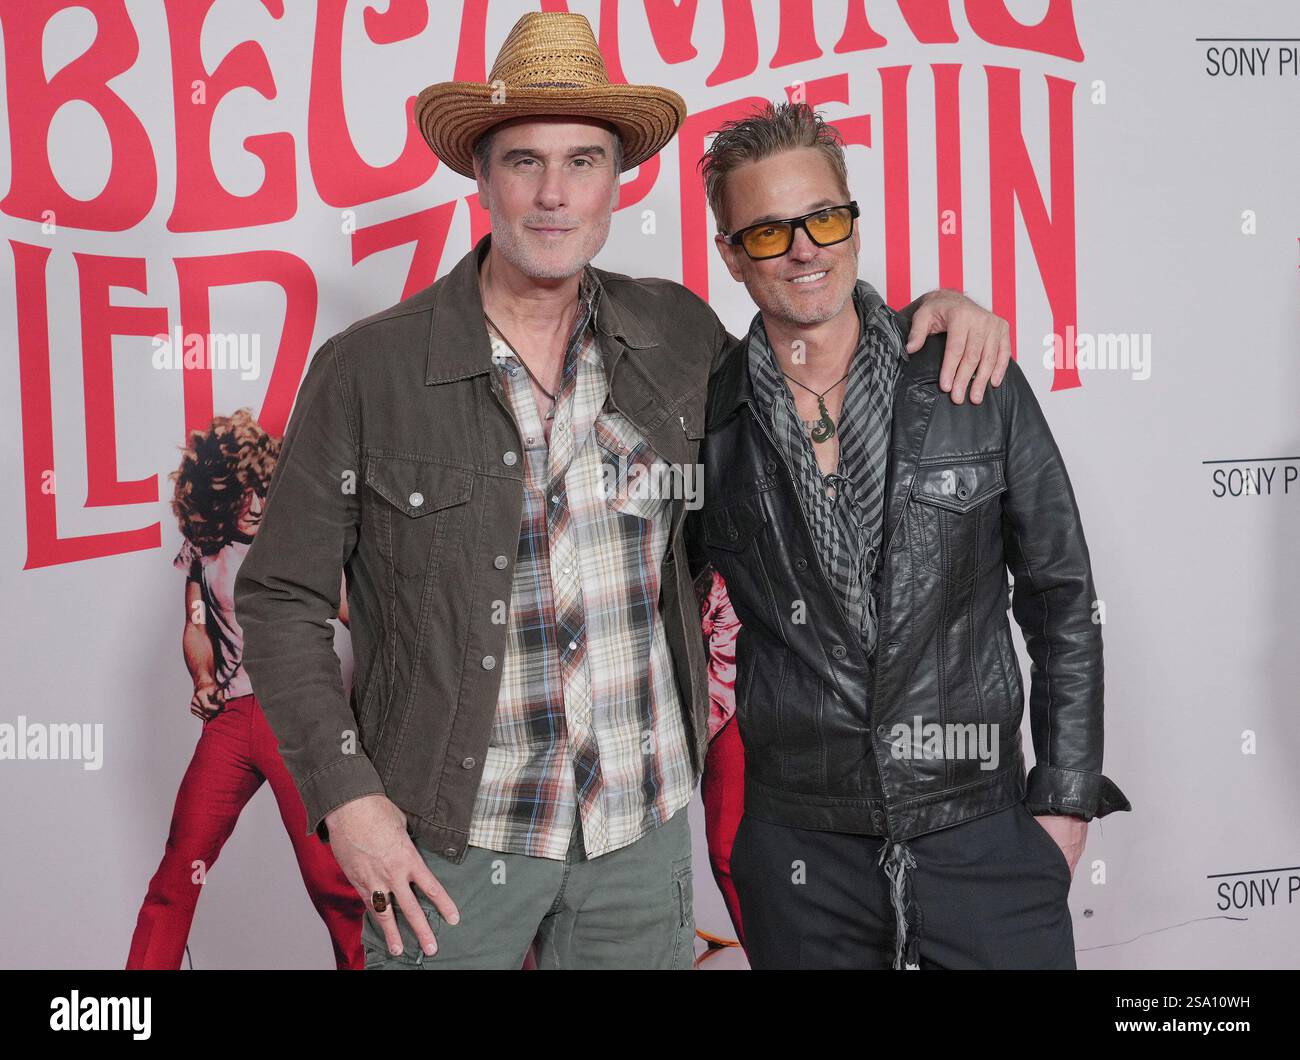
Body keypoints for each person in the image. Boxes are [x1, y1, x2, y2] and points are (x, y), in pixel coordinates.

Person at [234, 11, 1010, 970]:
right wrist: (347, 800)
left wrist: (926, 320)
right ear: (481, 176)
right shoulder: (369, 371)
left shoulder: (678, 336)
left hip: (636, 838)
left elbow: (808, 379)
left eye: (584, 161)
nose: (553, 194)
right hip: (448, 843)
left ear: (618, 180)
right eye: (524, 161)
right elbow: (280, 598)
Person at [691, 101, 1132, 970]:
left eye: (824, 218)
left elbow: (1063, 598)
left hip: (982, 835)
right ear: (732, 256)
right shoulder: (704, 418)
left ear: (852, 224)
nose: (806, 248)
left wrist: (1065, 803)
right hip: (801, 855)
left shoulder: (969, 377)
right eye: (771, 232)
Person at [127, 409, 364, 970]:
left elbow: (361, 620)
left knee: (334, 880)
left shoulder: (301, 543)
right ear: (218, 494)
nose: (256, 504)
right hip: (232, 722)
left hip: (300, 718)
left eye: (264, 488)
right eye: (242, 492)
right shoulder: (204, 553)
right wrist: (204, 679)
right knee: (178, 870)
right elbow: (196, 624)